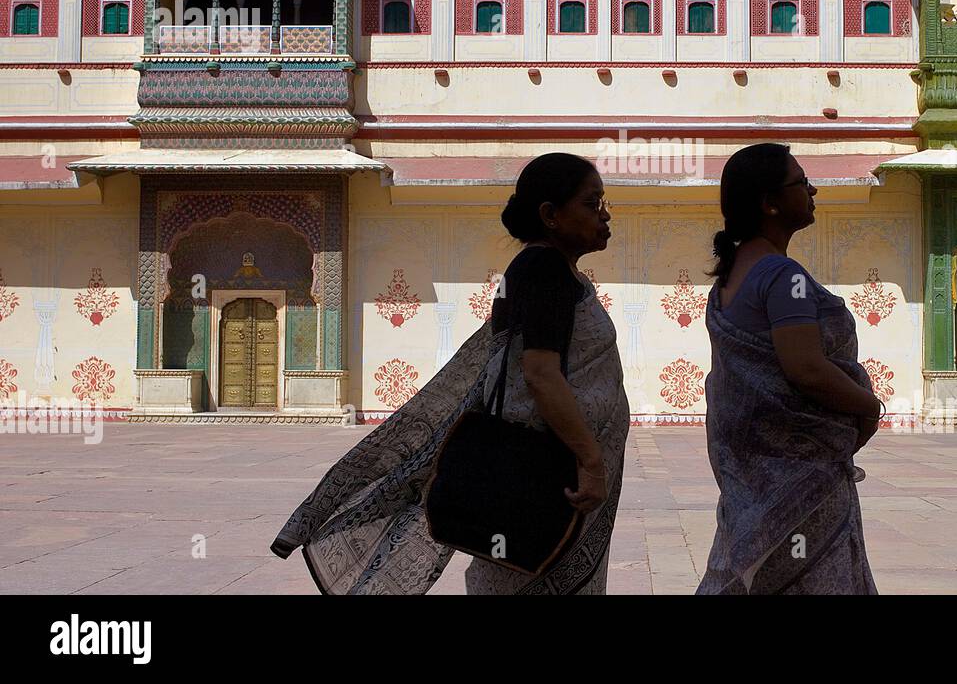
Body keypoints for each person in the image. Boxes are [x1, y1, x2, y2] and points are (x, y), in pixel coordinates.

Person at [270, 152, 629, 595]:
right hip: (549, 470)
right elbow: (539, 373)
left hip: (557, 472)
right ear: (550, 215)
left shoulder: (552, 271)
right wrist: (591, 463)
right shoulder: (542, 269)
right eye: (591, 204)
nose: (604, 214)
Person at [696, 143, 883, 595]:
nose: (813, 189)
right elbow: (806, 369)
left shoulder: (731, 277)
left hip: (754, 480)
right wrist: (868, 405)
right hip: (800, 481)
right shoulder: (783, 277)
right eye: (801, 182)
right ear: (770, 202)